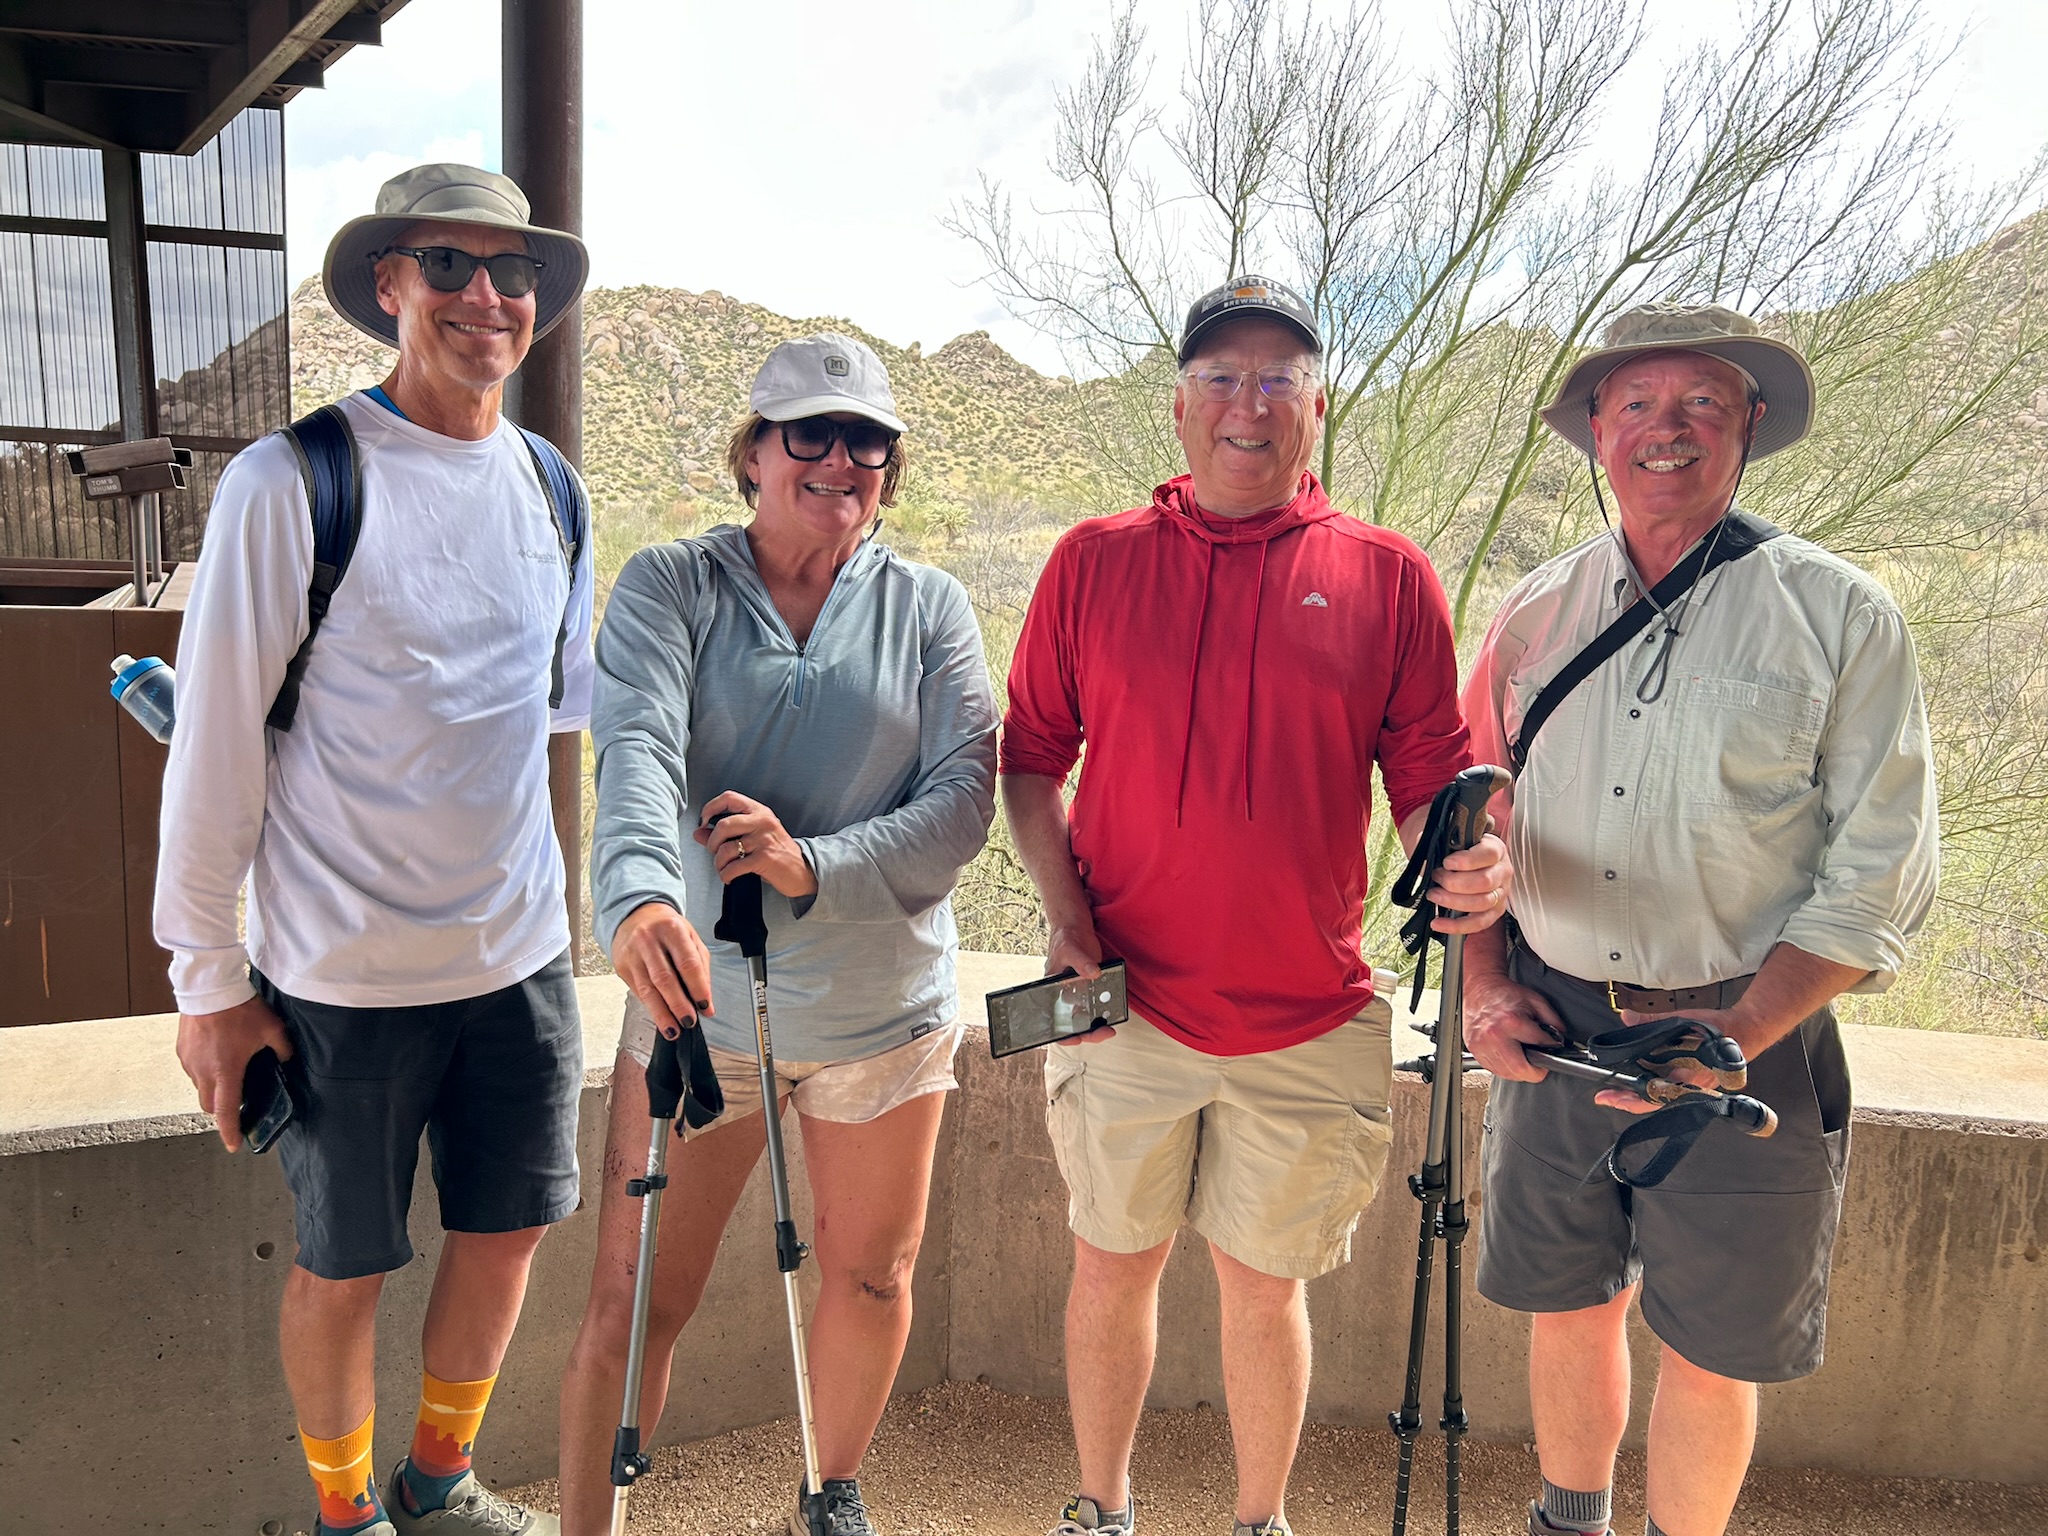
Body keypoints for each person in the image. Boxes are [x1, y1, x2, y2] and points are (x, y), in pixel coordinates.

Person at [999, 275, 1511, 1536]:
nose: (1249, 403)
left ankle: (1256, 1519)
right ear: (1178, 410)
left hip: (1306, 1016)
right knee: (1110, 1270)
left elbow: (1432, 789)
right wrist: (1064, 920)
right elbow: (1025, 760)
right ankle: (1099, 1507)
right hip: (1122, 1013)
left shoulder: (1387, 576)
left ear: (1317, 409)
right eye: (1221, 378)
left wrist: (1476, 866)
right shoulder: (1091, 562)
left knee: (1260, 1285)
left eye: (1278, 378)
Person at [158, 163, 595, 1536]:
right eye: (450, 265)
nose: (487, 296)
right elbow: (217, 741)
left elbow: (561, 692)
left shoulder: (549, 485)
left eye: (511, 271)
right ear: (389, 286)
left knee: (508, 1231)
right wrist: (208, 985)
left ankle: (438, 1482)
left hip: (519, 953)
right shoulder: (294, 482)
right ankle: (347, 1518)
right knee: (343, 1267)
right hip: (340, 975)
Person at [1460, 303, 1939, 1536]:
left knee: (1712, 1342)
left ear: (1749, 427)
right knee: (1566, 1301)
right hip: (1554, 1016)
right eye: (1635, 405)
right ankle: (1569, 1521)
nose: (1663, 431)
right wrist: (1481, 980)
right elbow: (1467, 824)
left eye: (1699, 406)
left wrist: (1739, 1025)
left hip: (1749, 1029)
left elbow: (1878, 869)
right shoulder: (1530, 615)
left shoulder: (1839, 616)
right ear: (1594, 433)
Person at [556, 334, 999, 1536]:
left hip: (881, 1015)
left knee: (872, 1274)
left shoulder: (929, 608)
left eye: (866, 441)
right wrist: (642, 894)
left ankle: (831, 1489)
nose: (839, 459)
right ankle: (593, 1521)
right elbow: (637, 746)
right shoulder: (670, 585)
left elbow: (965, 794)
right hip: (701, 1012)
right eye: (807, 432)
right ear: (752, 452)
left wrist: (817, 863)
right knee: (636, 1295)